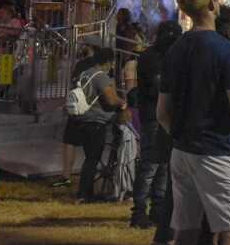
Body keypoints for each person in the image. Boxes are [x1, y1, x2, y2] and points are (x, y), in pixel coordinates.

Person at [159, 0, 230, 245]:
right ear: (212, 3)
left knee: (185, 233)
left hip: (182, 150)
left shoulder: (175, 50)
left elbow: (162, 112)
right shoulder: (226, 51)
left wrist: (183, 134)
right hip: (218, 150)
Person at [131, 19, 181, 231]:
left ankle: (157, 209)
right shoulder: (151, 57)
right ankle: (139, 210)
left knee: (163, 165)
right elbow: (158, 84)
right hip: (153, 116)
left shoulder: (166, 56)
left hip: (165, 116)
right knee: (151, 164)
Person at [70, 46, 128, 202]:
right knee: (92, 159)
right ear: (108, 62)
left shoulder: (85, 73)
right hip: (96, 122)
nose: (114, 65)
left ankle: (86, 193)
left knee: (89, 158)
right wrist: (123, 103)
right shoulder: (101, 77)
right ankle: (84, 195)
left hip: (82, 120)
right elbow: (111, 100)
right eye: (113, 62)